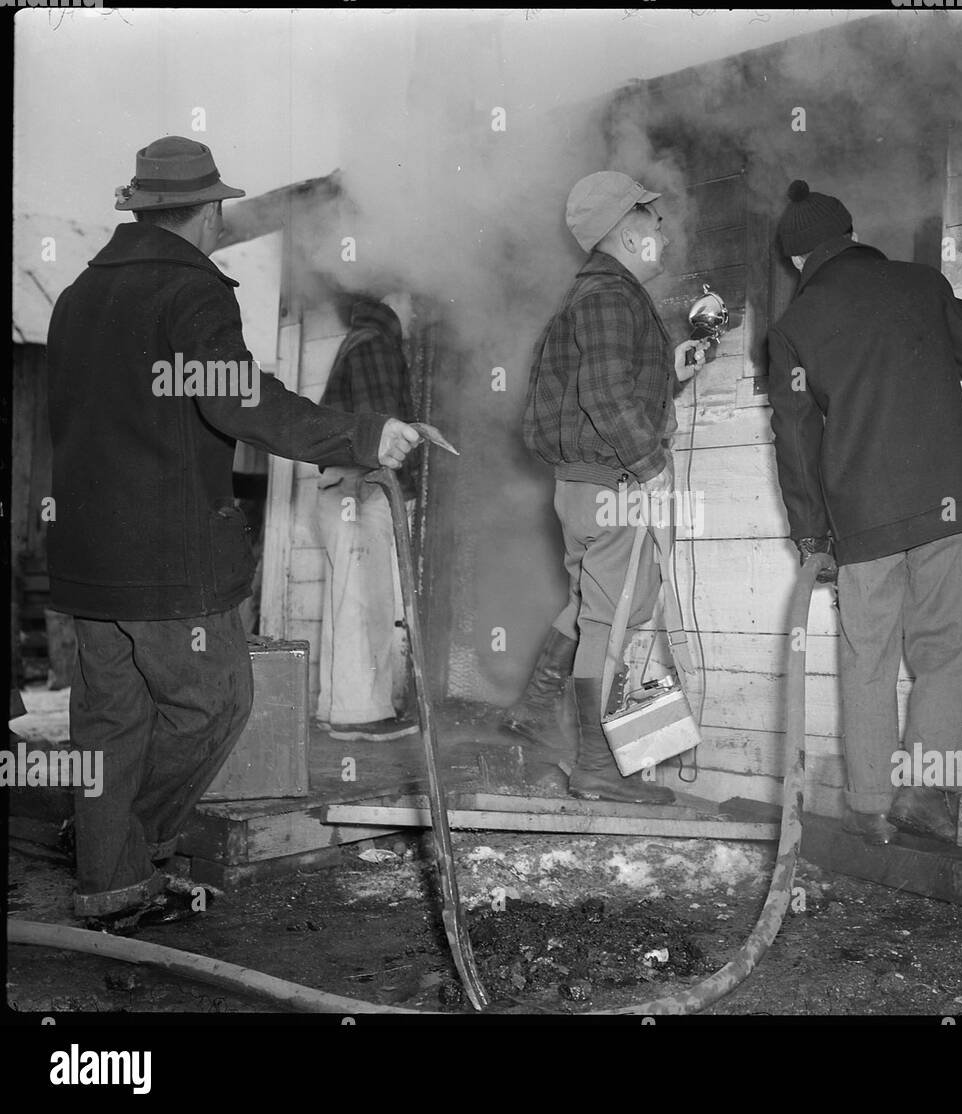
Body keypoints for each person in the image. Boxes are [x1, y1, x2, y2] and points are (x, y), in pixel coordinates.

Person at [45, 136, 422, 931]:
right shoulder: (192, 293)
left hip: (85, 559)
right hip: (165, 565)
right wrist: (364, 436)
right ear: (210, 212)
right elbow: (237, 402)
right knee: (214, 705)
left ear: (140, 208)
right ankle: (126, 849)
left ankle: (109, 879)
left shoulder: (77, 297)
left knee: (111, 723)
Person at [766, 180, 962, 845]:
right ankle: (927, 796)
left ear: (794, 261)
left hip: (861, 521)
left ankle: (869, 806)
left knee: (866, 656)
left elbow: (794, 437)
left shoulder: (793, 329)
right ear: (850, 231)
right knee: (944, 650)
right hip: (945, 505)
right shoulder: (920, 285)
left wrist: (811, 535)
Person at [513, 171, 705, 804]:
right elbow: (604, 395)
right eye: (652, 221)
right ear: (627, 231)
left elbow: (605, 388)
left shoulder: (603, 297)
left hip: (590, 482)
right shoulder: (608, 297)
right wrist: (650, 468)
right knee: (615, 620)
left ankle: (537, 708)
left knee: (611, 605)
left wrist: (671, 373)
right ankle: (599, 767)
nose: (662, 231)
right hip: (613, 483)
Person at [314, 292, 419, 742]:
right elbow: (383, 432)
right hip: (363, 486)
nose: (418, 313)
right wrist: (404, 491)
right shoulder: (376, 343)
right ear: (394, 297)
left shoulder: (357, 339)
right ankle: (361, 716)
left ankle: (338, 708)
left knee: (348, 602)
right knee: (365, 603)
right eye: (415, 302)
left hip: (342, 486)